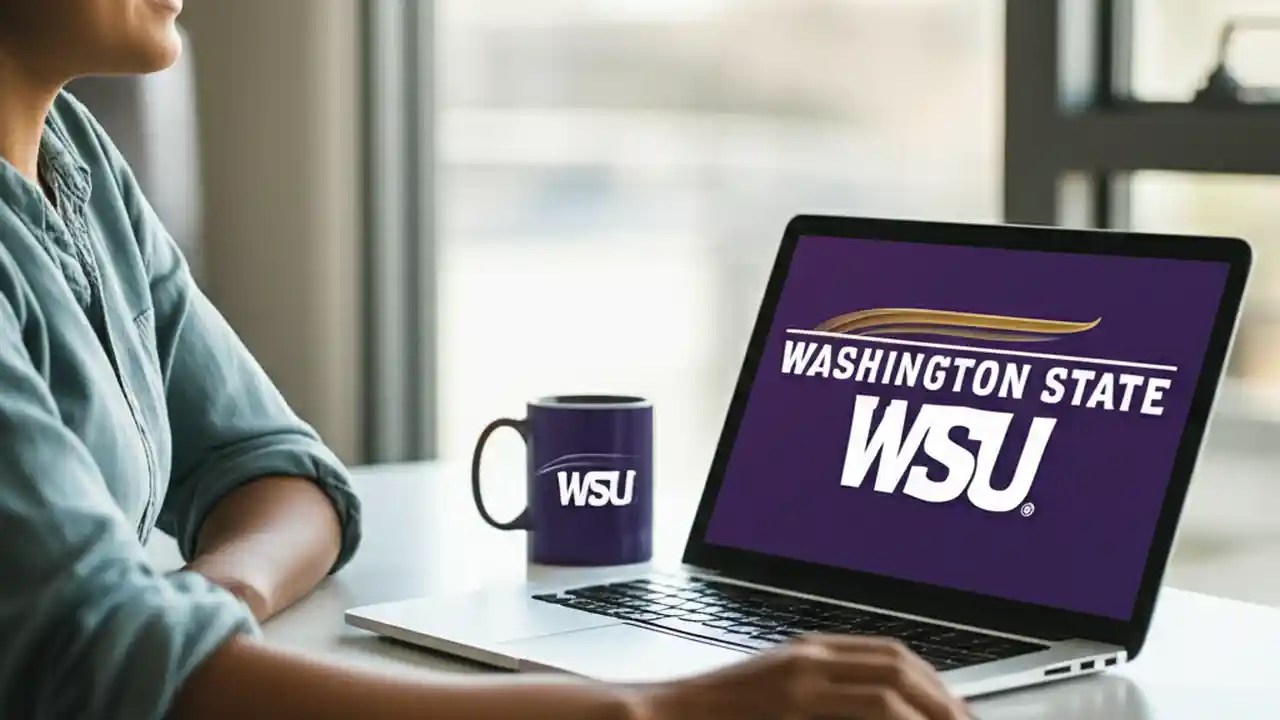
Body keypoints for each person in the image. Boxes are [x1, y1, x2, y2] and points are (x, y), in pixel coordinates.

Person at [0, 1, 970, 719]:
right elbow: (104, 657)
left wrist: (212, 601)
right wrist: (667, 710)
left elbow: (271, 467)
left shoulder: (77, 161)